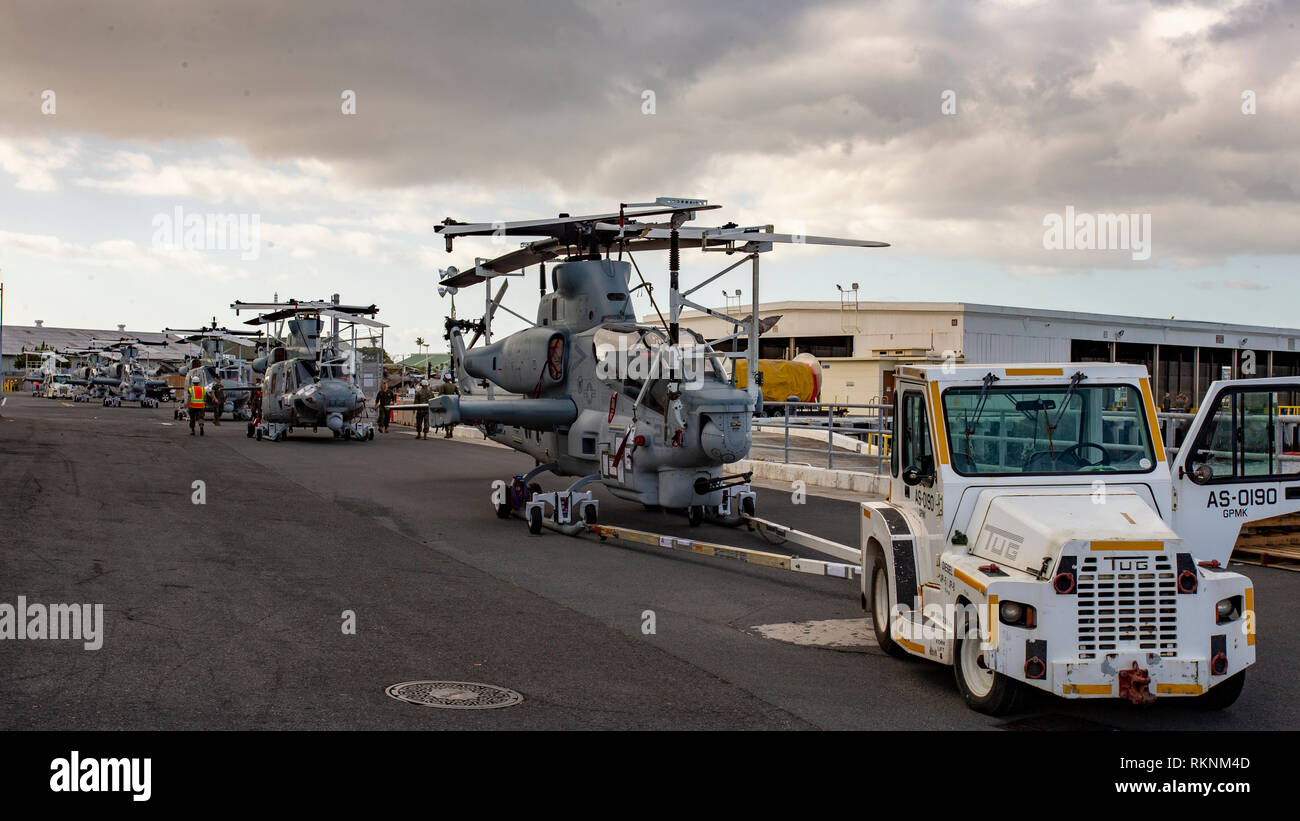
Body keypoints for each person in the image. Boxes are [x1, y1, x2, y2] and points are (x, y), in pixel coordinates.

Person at [438, 373, 458, 438]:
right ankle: (451, 432)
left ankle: (447, 433)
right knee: (451, 419)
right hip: (453, 404)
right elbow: (459, 394)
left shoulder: (443, 386)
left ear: (445, 379)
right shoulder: (454, 386)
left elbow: (440, 395)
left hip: (446, 404)